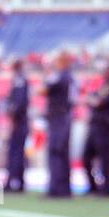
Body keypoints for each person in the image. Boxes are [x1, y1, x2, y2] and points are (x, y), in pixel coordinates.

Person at [82, 64, 109, 197]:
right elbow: (92, 98)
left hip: (105, 127)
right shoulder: (104, 86)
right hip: (95, 126)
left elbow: (98, 102)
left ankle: (106, 189)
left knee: (105, 158)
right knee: (86, 157)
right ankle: (93, 187)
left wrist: (91, 100)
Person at [42, 52, 74, 198]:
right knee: (63, 153)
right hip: (65, 117)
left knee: (55, 152)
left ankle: (55, 188)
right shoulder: (70, 77)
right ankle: (65, 188)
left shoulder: (60, 76)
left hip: (58, 118)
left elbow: (42, 90)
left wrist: (47, 73)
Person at [3, 60, 30, 193]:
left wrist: (12, 117)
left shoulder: (19, 80)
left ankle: (13, 181)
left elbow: (18, 103)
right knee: (17, 151)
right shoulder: (21, 79)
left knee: (15, 152)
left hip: (19, 122)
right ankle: (19, 182)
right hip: (21, 121)